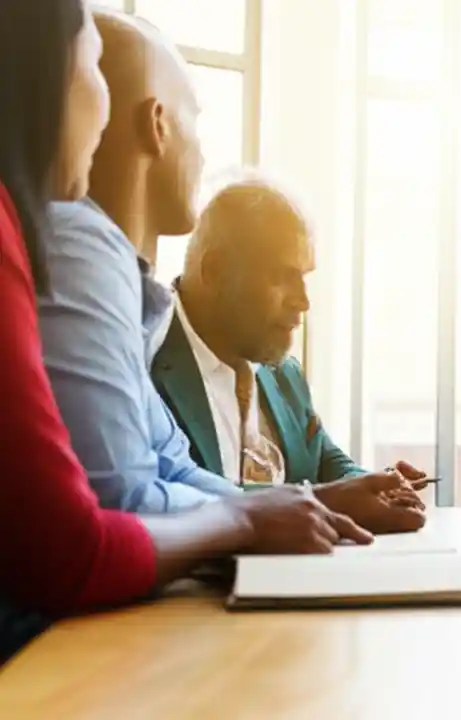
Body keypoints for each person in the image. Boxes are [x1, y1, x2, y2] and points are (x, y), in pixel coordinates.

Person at [0, 0, 372, 663]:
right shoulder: (74, 242)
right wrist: (245, 519)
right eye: (90, 71)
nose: (102, 104)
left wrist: (292, 508)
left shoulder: (99, 263)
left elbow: (167, 465)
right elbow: (106, 515)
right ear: (159, 123)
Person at [41, 11, 422, 528]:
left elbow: (173, 474)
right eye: (195, 120)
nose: (303, 302)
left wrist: (358, 491)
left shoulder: (146, 316)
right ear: (157, 124)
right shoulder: (90, 271)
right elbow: (124, 502)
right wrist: (257, 521)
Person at [151, 178, 427, 533]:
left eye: (305, 277)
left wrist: (379, 487)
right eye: (283, 276)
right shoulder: (144, 359)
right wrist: (325, 499)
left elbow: (326, 462)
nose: (303, 301)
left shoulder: (283, 372)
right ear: (215, 270)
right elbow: (170, 496)